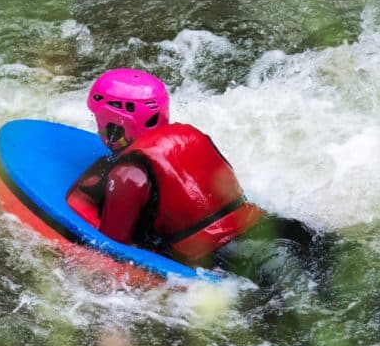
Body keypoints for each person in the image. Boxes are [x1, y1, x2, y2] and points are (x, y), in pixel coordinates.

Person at [67, 68, 327, 289]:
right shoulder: (194, 136)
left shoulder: (129, 173)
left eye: (99, 119)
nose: (98, 128)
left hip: (233, 261)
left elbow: (113, 250)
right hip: (280, 230)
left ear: (117, 123)